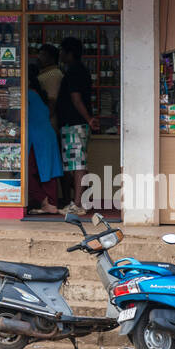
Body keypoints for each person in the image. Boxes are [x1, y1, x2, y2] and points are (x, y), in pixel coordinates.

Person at [55, 37, 97, 216]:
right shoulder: (79, 70)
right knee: (77, 164)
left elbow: (76, 98)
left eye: (62, 51)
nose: (60, 54)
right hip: (75, 124)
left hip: (75, 124)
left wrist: (88, 119)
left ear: (69, 53)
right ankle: (82, 201)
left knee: (78, 164)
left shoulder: (74, 72)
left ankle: (78, 203)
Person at [26, 67, 63, 215]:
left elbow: (15, 117)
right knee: (49, 170)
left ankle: (45, 202)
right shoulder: (38, 95)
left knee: (26, 172)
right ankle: (50, 202)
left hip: (36, 137)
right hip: (46, 135)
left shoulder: (27, 95)